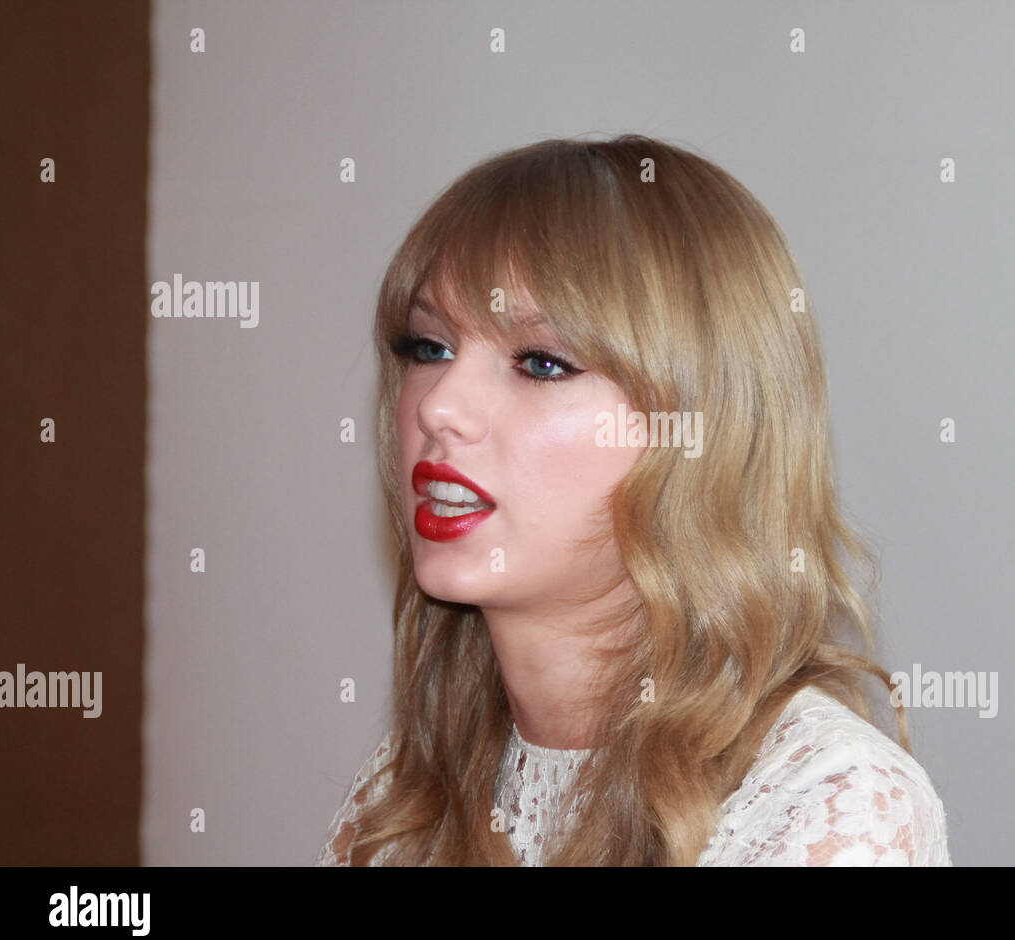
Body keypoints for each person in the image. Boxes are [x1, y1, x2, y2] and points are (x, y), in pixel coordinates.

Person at [317, 134, 952, 866]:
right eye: (429, 348)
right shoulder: (398, 801)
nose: (440, 408)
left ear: (697, 431)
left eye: (541, 363)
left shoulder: (825, 803)